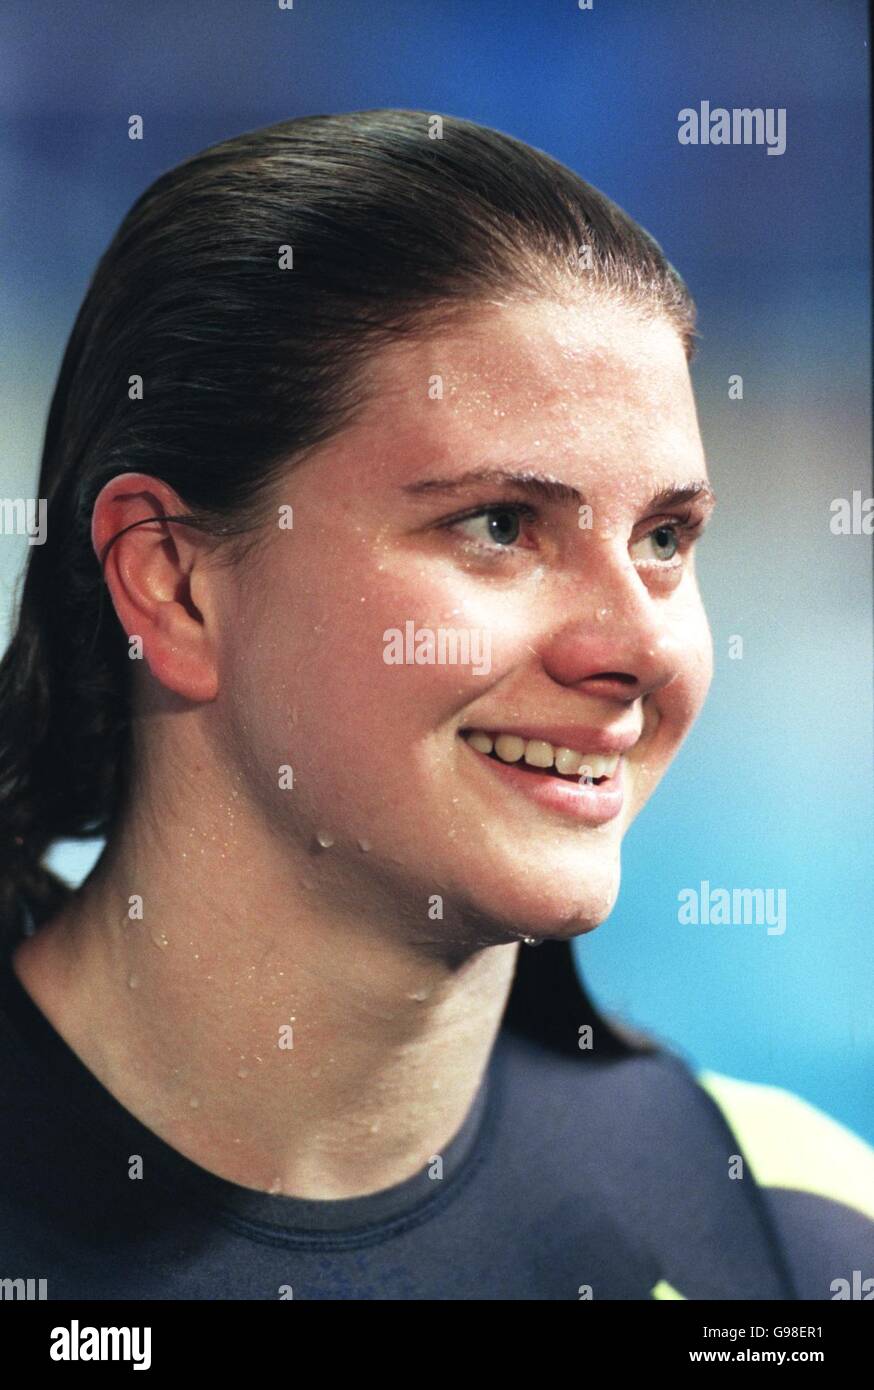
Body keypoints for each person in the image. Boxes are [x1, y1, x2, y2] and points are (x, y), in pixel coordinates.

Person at [0, 110, 871, 1302]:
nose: (634, 649)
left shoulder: (804, 1239)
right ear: (174, 581)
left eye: (664, 539)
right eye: (500, 525)